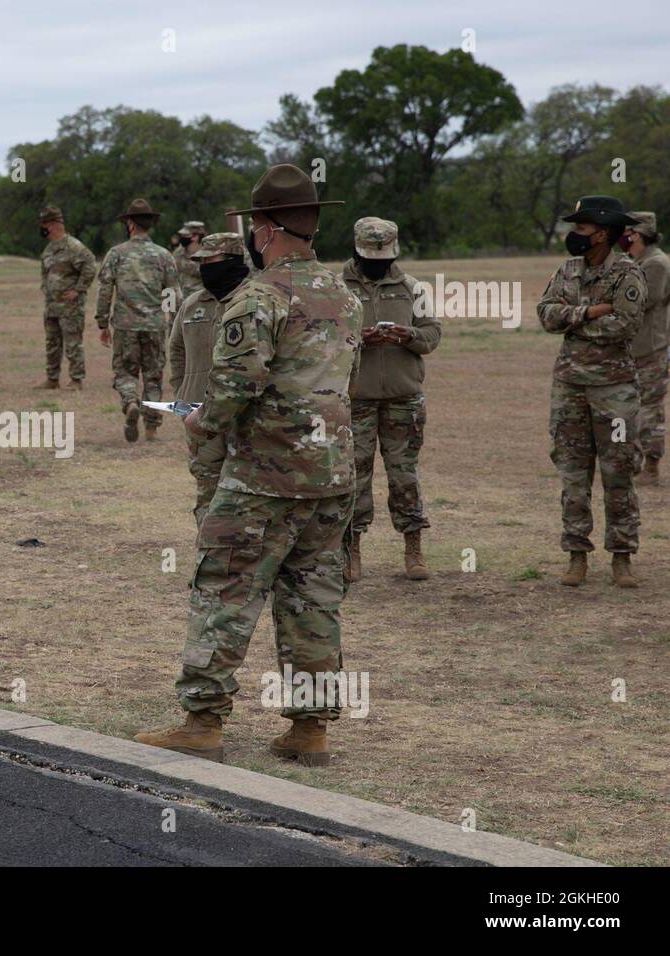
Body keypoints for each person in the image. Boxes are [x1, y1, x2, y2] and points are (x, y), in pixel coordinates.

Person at [136, 164, 360, 766]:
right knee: (312, 598)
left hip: (263, 476)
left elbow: (235, 385)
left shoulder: (257, 297)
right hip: (332, 474)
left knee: (224, 591)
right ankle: (310, 731)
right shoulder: (344, 294)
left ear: (263, 228)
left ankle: (202, 722)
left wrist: (198, 421)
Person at [538, 195, 646, 588]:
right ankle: (576, 555)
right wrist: (585, 312)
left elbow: (625, 325)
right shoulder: (566, 269)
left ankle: (622, 557)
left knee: (618, 472)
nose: (574, 235)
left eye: (581, 229)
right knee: (572, 474)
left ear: (601, 234)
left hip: (613, 389)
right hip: (569, 387)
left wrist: (574, 321)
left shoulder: (628, 274)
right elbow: (547, 314)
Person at [341, 217, 442, 582]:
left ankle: (413, 547)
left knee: (404, 476)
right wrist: (357, 340)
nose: (378, 264)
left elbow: (433, 334)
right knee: (354, 476)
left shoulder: (412, 287)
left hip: (404, 399)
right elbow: (322, 340)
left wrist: (408, 335)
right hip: (356, 400)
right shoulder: (337, 290)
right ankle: (351, 549)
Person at [166, 232, 249, 524]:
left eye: (210, 261)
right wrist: (184, 392)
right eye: (201, 262)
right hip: (198, 415)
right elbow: (176, 351)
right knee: (207, 487)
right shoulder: (192, 304)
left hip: (246, 415)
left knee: (248, 492)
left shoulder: (254, 301)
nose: (204, 268)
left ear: (232, 261)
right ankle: (210, 557)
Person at [94, 198, 182, 443]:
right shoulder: (164, 255)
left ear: (130, 224)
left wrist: (102, 323)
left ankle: (131, 401)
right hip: (155, 324)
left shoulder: (116, 254)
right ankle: (152, 428)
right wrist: (171, 323)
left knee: (125, 372)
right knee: (153, 376)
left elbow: (105, 290)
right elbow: (172, 294)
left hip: (125, 325)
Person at [623, 213, 670, 486]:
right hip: (632, 348)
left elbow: (643, 300)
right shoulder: (635, 262)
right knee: (627, 408)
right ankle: (633, 463)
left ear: (636, 235)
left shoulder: (657, 264)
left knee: (650, 409)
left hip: (651, 349)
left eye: (626, 233)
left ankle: (651, 466)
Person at [35, 204, 97, 391]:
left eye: (44, 223)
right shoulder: (48, 250)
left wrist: (78, 290)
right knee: (52, 343)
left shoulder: (74, 247)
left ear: (53, 224)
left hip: (70, 307)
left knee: (72, 343)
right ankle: (52, 379)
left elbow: (90, 265)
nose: (42, 228)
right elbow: (46, 275)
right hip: (52, 306)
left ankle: (76, 380)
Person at [173, 222, 206, 301]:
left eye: (185, 235)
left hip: (199, 298)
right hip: (181, 298)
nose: (182, 237)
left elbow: (207, 273)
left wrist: (186, 265)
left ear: (195, 237)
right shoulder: (178, 252)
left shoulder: (207, 253)